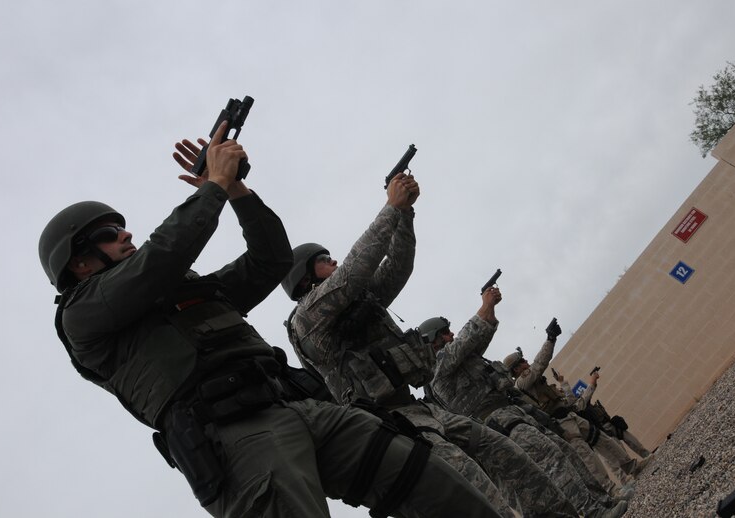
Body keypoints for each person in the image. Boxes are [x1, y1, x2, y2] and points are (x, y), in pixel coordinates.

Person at [38, 124, 500, 518]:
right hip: (234, 438)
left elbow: (271, 259)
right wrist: (213, 187)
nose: (125, 235)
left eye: (121, 227)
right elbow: (163, 255)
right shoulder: (83, 316)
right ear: (78, 263)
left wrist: (236, 188)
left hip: (297, 406)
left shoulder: (187, 289)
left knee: (429, 479)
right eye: (107, 234)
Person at [284, 172, 590, 517]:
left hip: (420, 411)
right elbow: (355, 269)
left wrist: (405, 215)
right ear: (305, 277)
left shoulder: (359, 302)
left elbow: (398, 267)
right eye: (325, 260)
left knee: (505, 454)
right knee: (470, 483)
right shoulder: (308, 319)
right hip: (389, 424)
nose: (334, 261)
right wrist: (390, 207)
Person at [421, 289, 629, 518]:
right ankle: (593, 513)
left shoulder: (461, 358)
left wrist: (490, 310)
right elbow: (465, 340)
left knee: (564, 451)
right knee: (551, 459)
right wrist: (483, 307)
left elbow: (480, 336)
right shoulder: (436, 369)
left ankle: (603, 503)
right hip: (495, 423)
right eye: (445, 333)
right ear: (433, 341)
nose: (450, 335)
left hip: (513, 413)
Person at [505, 335, 647, 494]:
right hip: (559, 423)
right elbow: (539, 363)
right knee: (587, 457)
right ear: (516, 369)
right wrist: (550, 339)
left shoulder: (534, 381)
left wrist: (563, 384)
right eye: (522, 361)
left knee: (603, 440)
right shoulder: (521, 383)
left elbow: (570, 401)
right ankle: (612, 491)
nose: (526, 362)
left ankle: (633, 468)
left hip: (569, 415)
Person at [557, 371, 652, 460]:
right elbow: (588, 390)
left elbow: (576, 396)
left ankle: (645, 457)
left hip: (608, 423)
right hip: (602, 429)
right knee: (618, 453)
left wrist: (562, 382)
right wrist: (592, 379)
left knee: (630, 442)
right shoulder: (576, 406)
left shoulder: (578, 403)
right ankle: (631, 471)